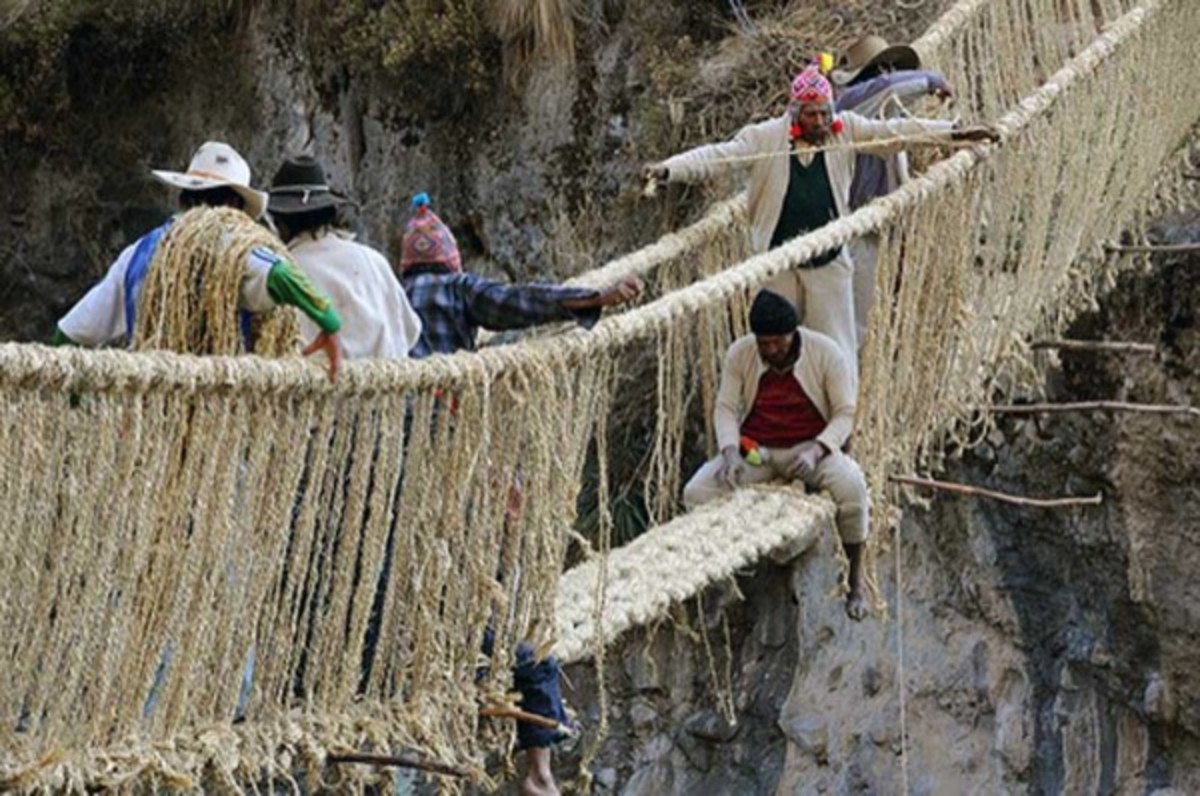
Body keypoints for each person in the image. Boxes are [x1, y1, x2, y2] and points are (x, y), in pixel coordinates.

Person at [397, 193, 640, 796]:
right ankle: (539, 771)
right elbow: (520, 301)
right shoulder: (458, 293)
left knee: (435, 595)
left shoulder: (389, 301)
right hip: (460, 460)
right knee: (502, 596)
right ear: (450, 264)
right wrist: (592, 298)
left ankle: (468, 692)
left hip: (398, 472)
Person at [644, 63, 997, 369]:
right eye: (811, 114)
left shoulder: (846, 129)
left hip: (828, 259)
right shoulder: (767, 137)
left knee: (836, 351)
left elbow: (895, 133)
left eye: (824, 113)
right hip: (778, 261)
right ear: (795, 113)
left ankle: (837, 431)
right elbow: (719, 156)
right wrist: (668, 170)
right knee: (776, 348)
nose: (819, 121)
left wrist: (954, 134)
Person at [53, 141, 343, 380]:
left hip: (147, 421)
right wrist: (328, 322)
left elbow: (68, 333)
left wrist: (77, 403)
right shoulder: (234, 246)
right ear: (234, 205)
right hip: (213, 424)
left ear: (185, 196)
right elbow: (281, 276)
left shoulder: (138, 253)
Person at [682, 290, 871, 620]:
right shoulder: (740, 354)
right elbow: (726, 407)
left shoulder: (826, 353)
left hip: (810, 449)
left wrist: (817, 449)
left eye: (777, 343)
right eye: (763, 343)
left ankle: (856, 579)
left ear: (793, 333)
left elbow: (845, 412)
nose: (770, 350)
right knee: (696, 493)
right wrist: (729, 451)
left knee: (853, 487)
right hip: (758, 452)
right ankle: (721, 581)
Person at [397, 193, 641, 356]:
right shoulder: (458, 288)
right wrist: (594, 298)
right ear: (451, 259)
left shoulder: (393, 294)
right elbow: (517, 301)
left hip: (390, 417)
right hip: (440, 413)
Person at [833, 35, 956, 348]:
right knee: (858, 322)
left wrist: (956, 134)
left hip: (885, 225)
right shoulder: (852, 105)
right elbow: (886, 88)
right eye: (883, 69)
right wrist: (933, 80)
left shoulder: (887, 114)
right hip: (856, 229)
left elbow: (906, 130)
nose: (888, 74)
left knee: (883, 310)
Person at [267, 155, 422, 360]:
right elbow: (411, 330)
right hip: (389, 386)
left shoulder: (285, 272)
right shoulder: (374, 260)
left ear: (280, 223)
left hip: (322, 387)